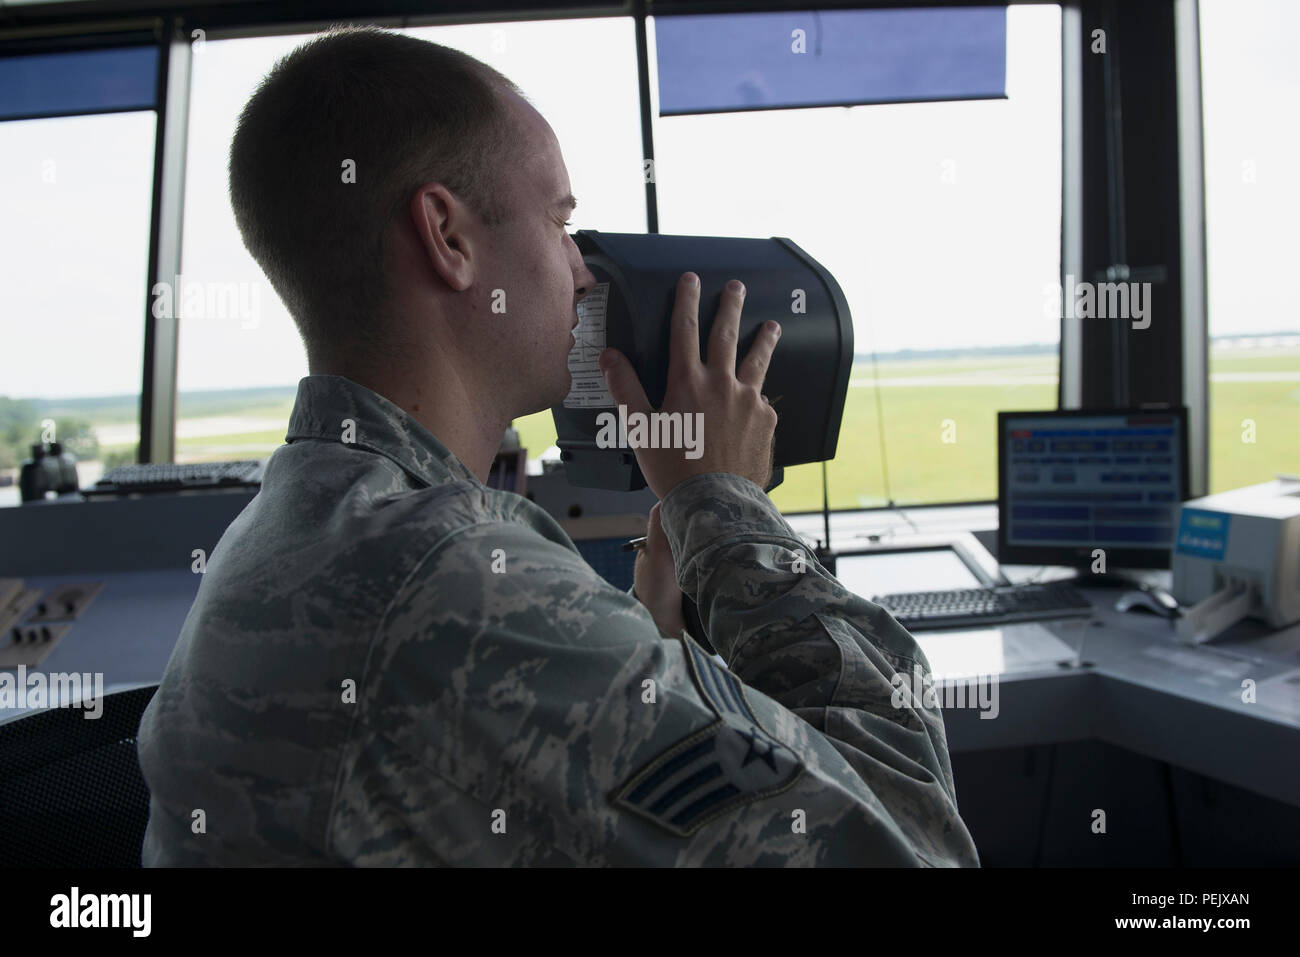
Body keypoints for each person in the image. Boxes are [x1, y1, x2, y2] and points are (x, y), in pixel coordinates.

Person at [136, 25, 980, 867]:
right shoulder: (448, 581)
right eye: (559, 220)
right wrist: (721, 504)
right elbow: (910, 841)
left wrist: (643, 644)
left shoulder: (295, 519)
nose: (582, 270)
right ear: (448, 236)